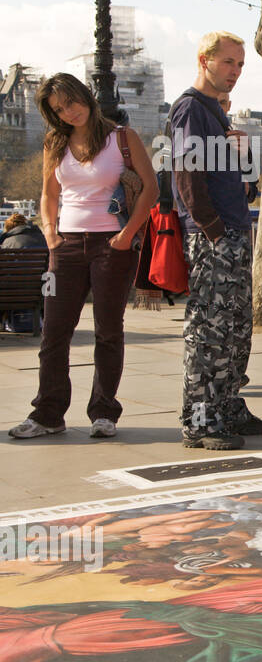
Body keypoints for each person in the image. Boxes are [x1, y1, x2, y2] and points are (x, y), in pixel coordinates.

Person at [7, 73, 157, 441]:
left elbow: (151, 188)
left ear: (86, 96)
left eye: (71, 102)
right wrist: (49, 232)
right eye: (58, 109)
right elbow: (49, 194)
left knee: (108, 330)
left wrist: (126, 235)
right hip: (67, 247)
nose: (68, 112)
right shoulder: (54, 144)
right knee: (54, 333)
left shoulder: (122, 138)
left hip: (112, 243)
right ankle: (47, 414)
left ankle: (104, 413)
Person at [172, 31, 262, 450]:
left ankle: (227, 407)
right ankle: (200, 419)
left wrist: (242, 155)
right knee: (208, 331)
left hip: (232, 232)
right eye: (228, 62)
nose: (234, 72)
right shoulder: (191, 109)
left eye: (240, 65)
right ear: (204, 60)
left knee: (234, 328)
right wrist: (212, 230)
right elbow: (186, 175)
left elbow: (232, 180)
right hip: (214, 236)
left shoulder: (215, 113)